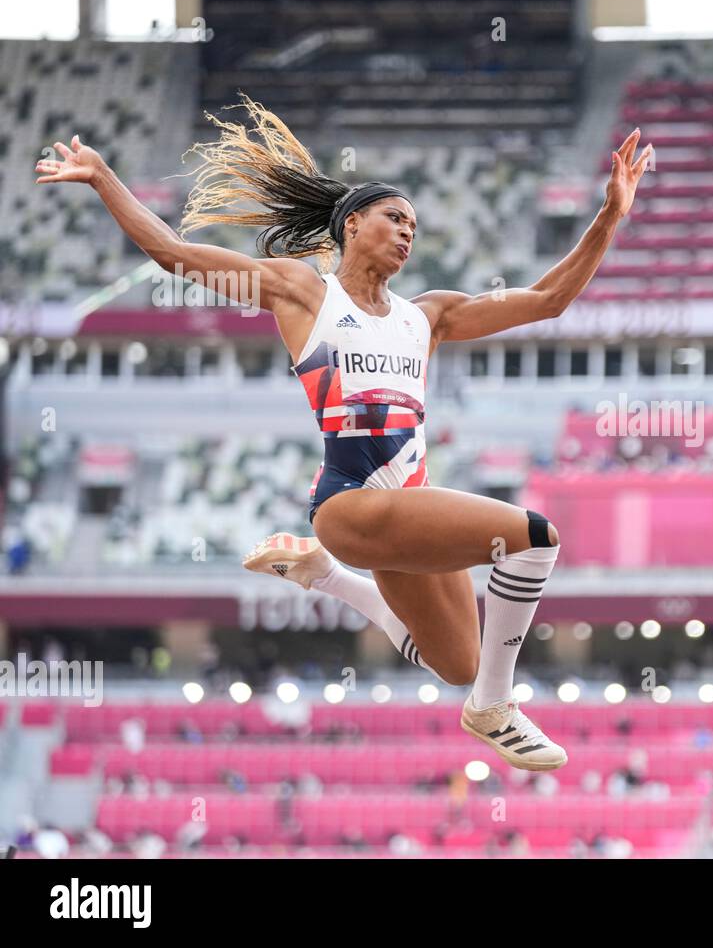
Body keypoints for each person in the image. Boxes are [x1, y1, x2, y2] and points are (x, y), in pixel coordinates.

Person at [37, 97, 653, 771]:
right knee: (536, 539)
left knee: (460, 661)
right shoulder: (305, 293)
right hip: (351, 503)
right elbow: (175, 254)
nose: (407, 231)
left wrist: (609, 215)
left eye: (415, 224)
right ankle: (495, 708)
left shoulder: (430, 316)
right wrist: (102, 177)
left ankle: (328, 578)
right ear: (353, 223)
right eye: (395, 217)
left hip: (404, 513)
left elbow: (547, 300)